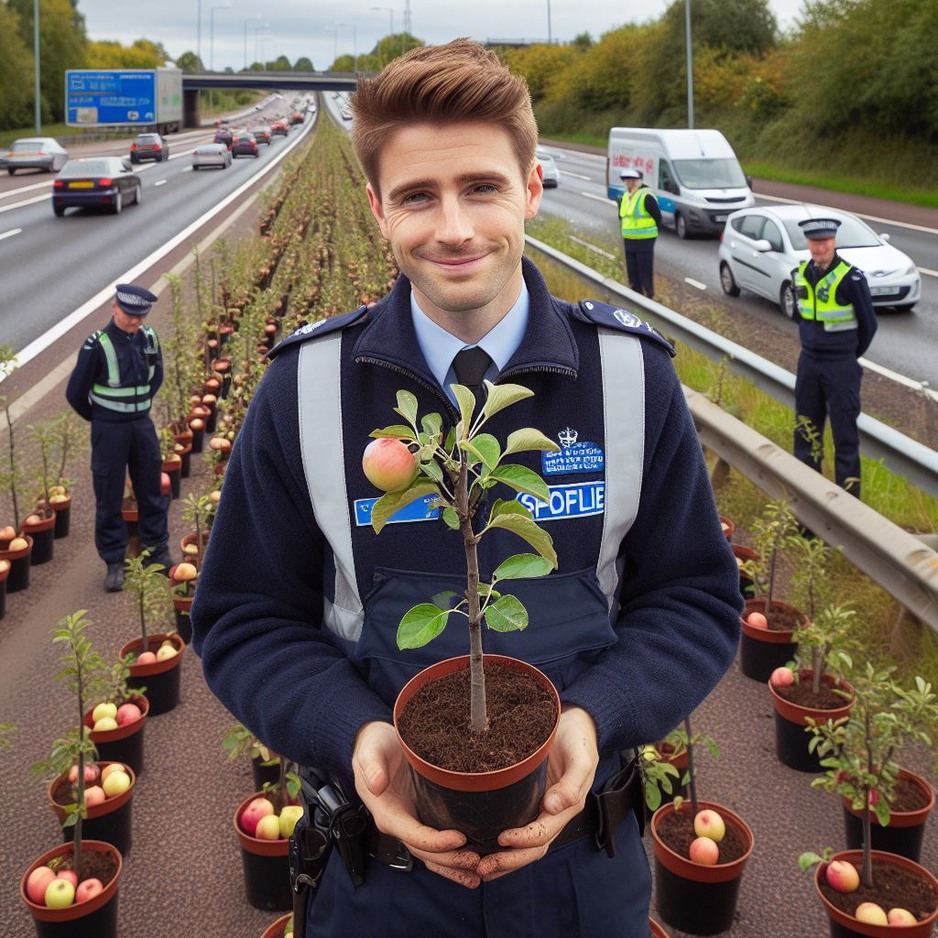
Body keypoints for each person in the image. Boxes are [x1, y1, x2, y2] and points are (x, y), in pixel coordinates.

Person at [191, 39, 741, 938]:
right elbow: (244, 616)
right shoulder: (310, 389)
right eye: (417, 195)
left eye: (481, 187)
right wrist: (356, 735)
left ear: (530, 188)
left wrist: (598, 718)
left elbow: (693, 596)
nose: (452, 227)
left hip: (583, 870)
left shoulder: (629, 379)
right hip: (378, 875)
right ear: (377, 210)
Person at [65, 283, 171, 592]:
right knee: (109, 495)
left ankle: (156, 550)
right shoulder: (97, 344)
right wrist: (101, 419)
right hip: (109, 429)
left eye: (140, 316)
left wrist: (137, 407)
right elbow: (74, 393)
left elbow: (157, 377)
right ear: (114, 308)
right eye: (129, 315)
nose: (135, 321)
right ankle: (114, 560)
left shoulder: (148, 338)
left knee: (151, 488)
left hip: (141, 425)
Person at [792, 217, 877, 499]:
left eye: (825, 241)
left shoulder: (851, 278)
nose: (820, 247)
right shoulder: (801, 273)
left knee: (845, 439)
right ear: (808, 243)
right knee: (806, 435)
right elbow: (799, 316)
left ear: (834, 241)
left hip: (841, 366)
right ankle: (808, 513)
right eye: (814, 242)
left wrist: (847, 357)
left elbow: (869, 326)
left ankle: (849, 514)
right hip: (809, 364)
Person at [618, 167, 662, 298]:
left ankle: (649, 300)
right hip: (629, 240)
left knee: (645, 273)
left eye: (632, 180)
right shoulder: (624, 197)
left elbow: (658, 217)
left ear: (638, 181)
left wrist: (650, 234)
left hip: (645, 241)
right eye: (626, 180)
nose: (629, 183)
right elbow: (622, 217)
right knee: (633, 274)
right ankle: (636, 301)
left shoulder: (646, 196)